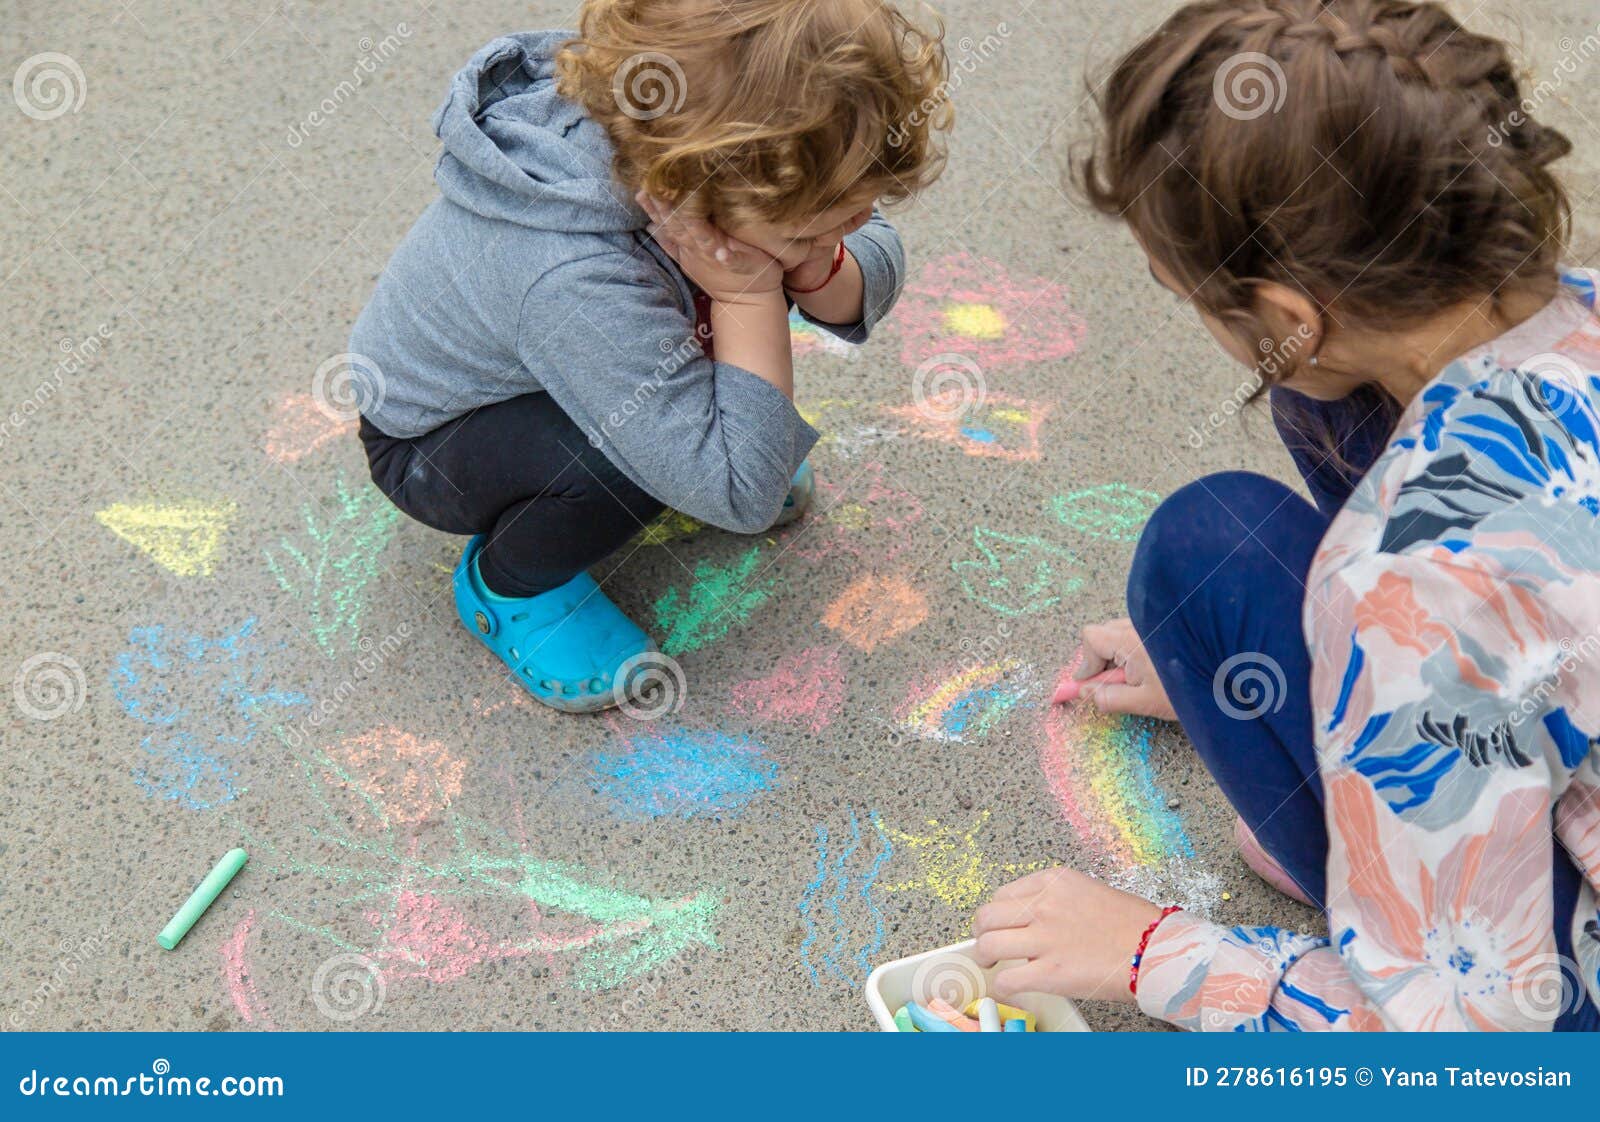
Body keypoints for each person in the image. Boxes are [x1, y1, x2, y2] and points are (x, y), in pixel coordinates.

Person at [977, 0, 1600, 1031]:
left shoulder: (1401, 579)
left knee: (1204, 545)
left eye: (1182, 292)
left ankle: (1358, 827)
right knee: (1307, 430)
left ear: (1288, 318)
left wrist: (1152, 956)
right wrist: (1322, 680)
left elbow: (1470, 1044)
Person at [350, 0, 949, 711]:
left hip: (586, 357)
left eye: (855, 209)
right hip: (433, 443)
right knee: (624, 467)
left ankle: (723, 422)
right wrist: (750, 296)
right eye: (832, 218)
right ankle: (513, 586)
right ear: (685, 196)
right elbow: (741, 495)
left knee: (747, 297)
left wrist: (817, 265)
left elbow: (870, 251)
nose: (855, 223)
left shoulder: (725, 145)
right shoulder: (571, 277)